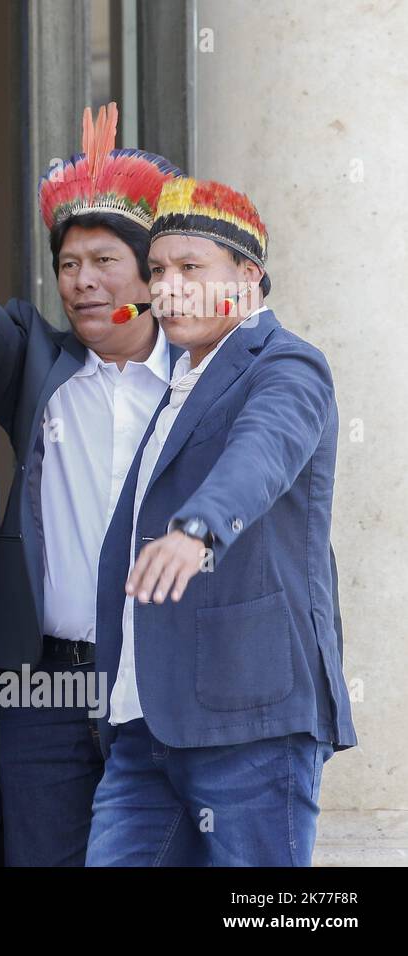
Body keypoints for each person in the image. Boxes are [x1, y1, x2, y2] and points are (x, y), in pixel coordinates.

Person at [0, 103, 182, 865]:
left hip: (161, 684)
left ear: (151, 272)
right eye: (69, 265)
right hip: (43, 687)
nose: (82, 283)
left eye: (105, 263)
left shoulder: (200, 382)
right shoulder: (36, 368)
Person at [88, 177, 357, 866]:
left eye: (189, 268)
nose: (168, 288)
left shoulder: (287, 363)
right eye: (156, 271)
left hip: (249, 720)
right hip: (142, 722)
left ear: (248, 276)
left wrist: (196, 528)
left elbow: (260, 452)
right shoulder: (179, 380)